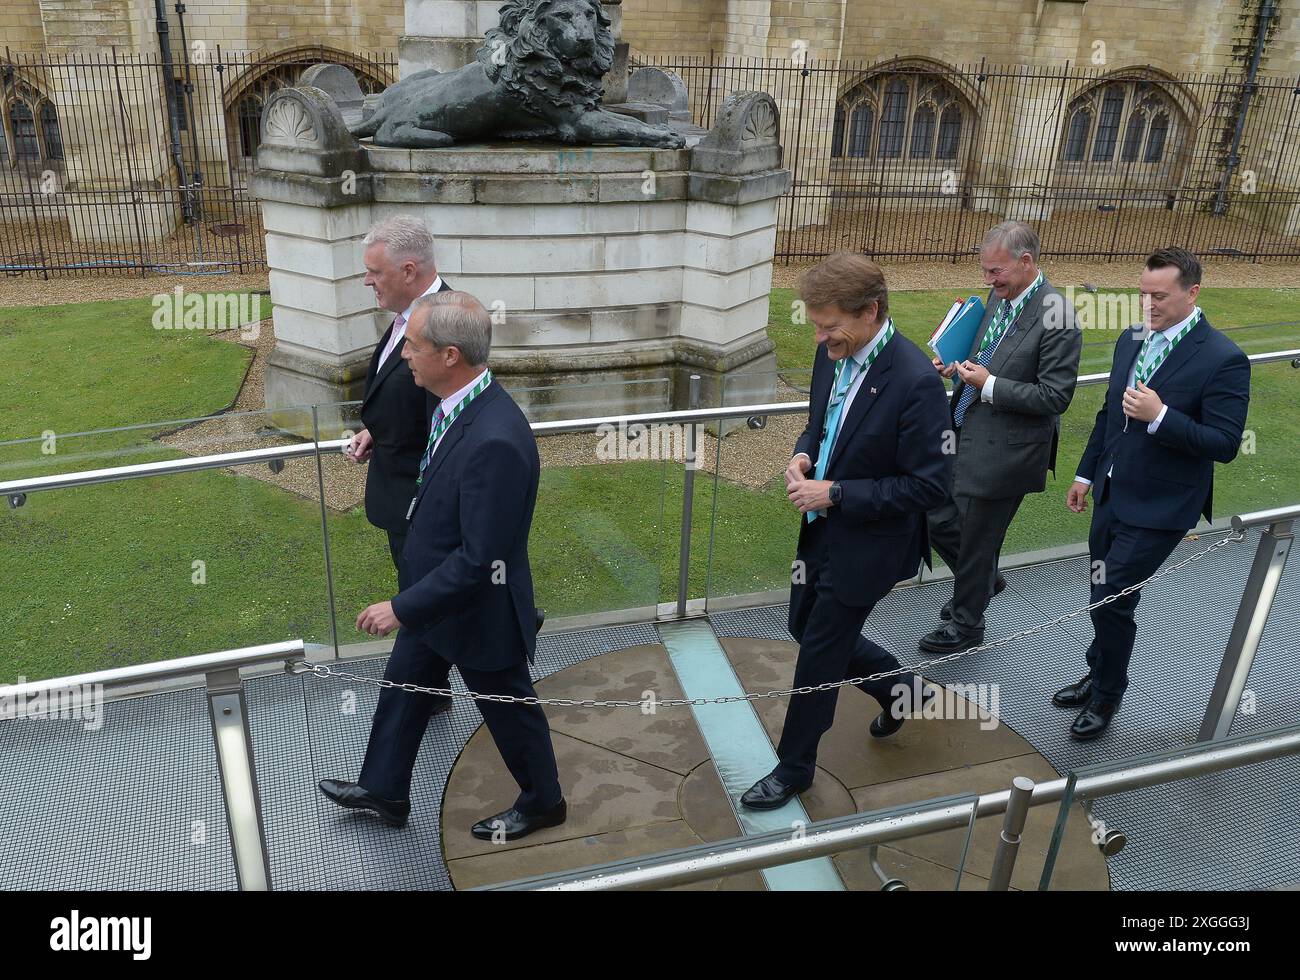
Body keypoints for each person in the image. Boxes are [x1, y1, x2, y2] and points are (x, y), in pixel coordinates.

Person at [320, 292, 566, 840]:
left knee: (510, 711)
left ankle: (545, 801)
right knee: (403, 688)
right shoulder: (458, 406)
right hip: (436, 602)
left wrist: (401, 608)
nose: (403, 353)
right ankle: (384, 789)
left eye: (413, 345)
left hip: (475, 612)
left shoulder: (496, 438)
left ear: (450, 355)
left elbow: (482, 559)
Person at [740, 253, 952, 810]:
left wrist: (835, 493)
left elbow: (930, 488)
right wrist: (802, 454)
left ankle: (793, 770)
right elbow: (821, 421)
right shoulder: (831, 354)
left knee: (820, 655)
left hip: (871, 545)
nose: (819, 335)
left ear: (871, 312)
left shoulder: (915, 382)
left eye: (829, 325)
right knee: (803, 625)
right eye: (815, 324)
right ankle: (905, 692)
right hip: (821, 531)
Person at [1058, 247, 1250, 740]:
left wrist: (1162, 417)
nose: (1147, 305)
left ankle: (1107, 694)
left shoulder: (1224, 358)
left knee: (1111, 598)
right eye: (1142, 294)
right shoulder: (1131, 339)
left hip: (1163, 507)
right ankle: (1099, 670)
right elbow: (1109, 414)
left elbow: (1225, 445)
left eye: (1159, 296)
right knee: (1103, 590)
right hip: (1111, 492)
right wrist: (1085, 476)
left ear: (1193, 292)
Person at [923, 221, 1082, 654]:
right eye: (986, 271)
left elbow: (1055, 396)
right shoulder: (1001, 296)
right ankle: (981, 581)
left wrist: (989, 384)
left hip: (1008, 451)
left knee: (977, 537)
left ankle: (966, 624)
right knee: (933, 513)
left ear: (1026, 262)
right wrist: (956, 365)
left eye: (996, 272)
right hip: (963, 431)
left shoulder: (1059, 316)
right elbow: (986, 351)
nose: (988, 281)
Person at [348, 215, 452, 574]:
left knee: (432, 614)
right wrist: (379, 429)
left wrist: (426, 522)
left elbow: (449, 433)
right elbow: (410, 400)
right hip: (405, 508)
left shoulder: (442, 327)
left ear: (408, 271)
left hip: (424, 519)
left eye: (374, 271)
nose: (367, 280)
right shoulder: (411, 315)